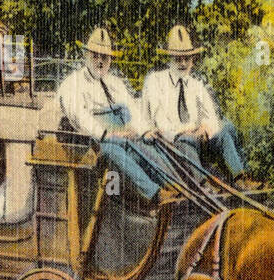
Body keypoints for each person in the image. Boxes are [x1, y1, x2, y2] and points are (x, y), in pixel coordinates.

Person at [56, 26, 185, 204]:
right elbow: (80, 117)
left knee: (147, 146)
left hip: (122, 133)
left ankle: (175, 186)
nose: (100, 61)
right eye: (95, 56)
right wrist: (107, 134)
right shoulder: (73, 83)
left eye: (105, 57)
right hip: (92, 140)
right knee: (113, 151)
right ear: (86, 56)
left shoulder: (115, 83)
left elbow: (132, 109)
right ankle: (155, 193)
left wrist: (144, 131)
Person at [141, 24, 261, 190]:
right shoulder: (155, 81)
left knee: (223, 134)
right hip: (170, 142)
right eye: (178, 59)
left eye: (187, 59)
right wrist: (188, 130)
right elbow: (161, 123)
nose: (183, 63)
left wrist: (205, 127)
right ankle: (203, 186)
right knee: (185, 141)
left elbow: (210, 115)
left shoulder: (196, 84)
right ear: (169, 59)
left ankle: (240, 178)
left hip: (196, 138)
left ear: (192, 60)